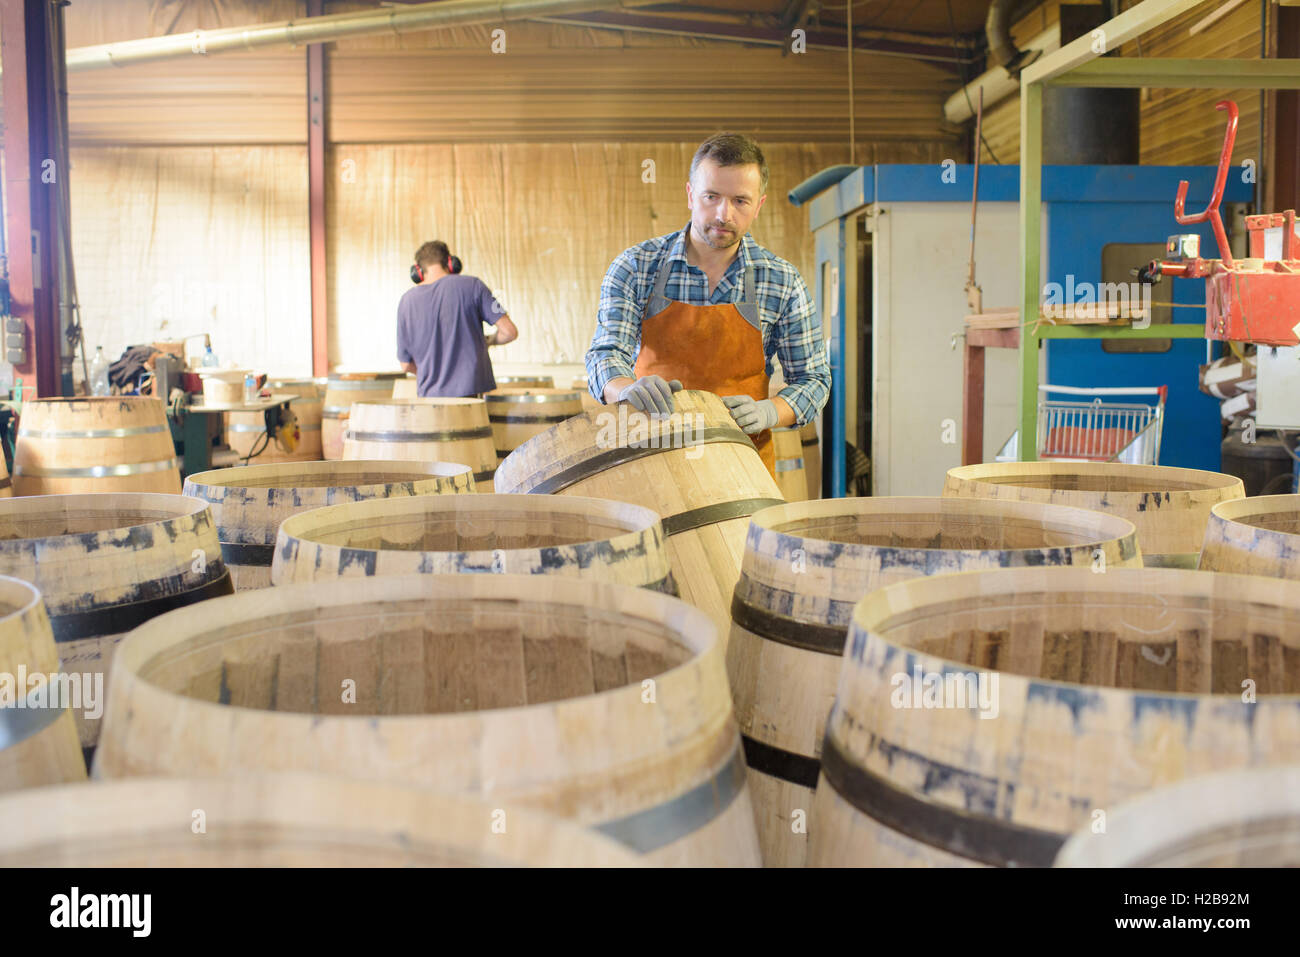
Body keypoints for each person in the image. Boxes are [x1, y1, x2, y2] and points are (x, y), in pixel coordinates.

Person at [585, 132, 830, 478]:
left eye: (740, 201)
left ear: (758, 206)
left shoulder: (782, 281)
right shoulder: (636, 267)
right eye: (711, 196)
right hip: (652, 466)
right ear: (690, 194)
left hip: (745, 473)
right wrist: (627, 389)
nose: (723, 214)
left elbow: (814, 379)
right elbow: (604, 354)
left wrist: (769, 412)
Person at [397, 240, 518, 397]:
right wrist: (488, 341)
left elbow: (406, 365)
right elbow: (509, 332)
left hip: (428, 402)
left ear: (418, 271)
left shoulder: (406, 301)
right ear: (451, 262)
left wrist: (434, 375)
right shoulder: (474, 286)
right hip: (470, 399)